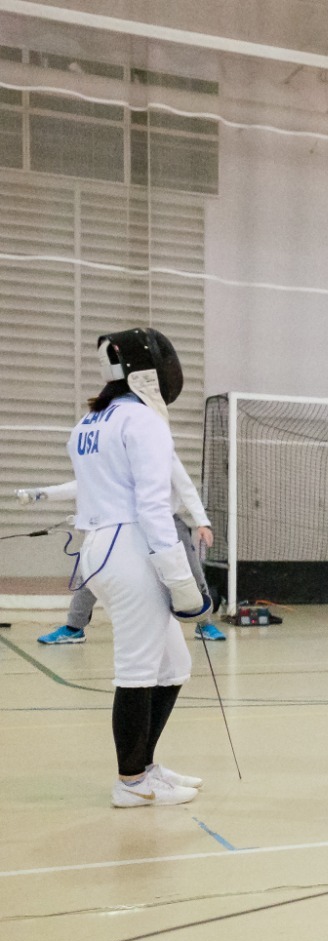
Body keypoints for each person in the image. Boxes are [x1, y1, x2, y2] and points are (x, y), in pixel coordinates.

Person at [65, 328, 212, 807]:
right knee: (138, 669)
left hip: (102, 549)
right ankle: (130, 782)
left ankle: (146, 767)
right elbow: (152, 507)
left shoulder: (92, 420)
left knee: (174, 665)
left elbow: (97, 483)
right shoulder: (143, 421)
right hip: (131, 550)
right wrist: (181, 580)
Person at [20, 451, 226, 644]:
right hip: (125, 522)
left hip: (165, 521)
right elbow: (85, 485)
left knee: (191, 571)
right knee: (93, 571)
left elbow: (185, 486)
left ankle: (204, 623)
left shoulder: (162, 450)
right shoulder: (114, 455)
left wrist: (202, 522)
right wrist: (40, 494)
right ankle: (74, 627)